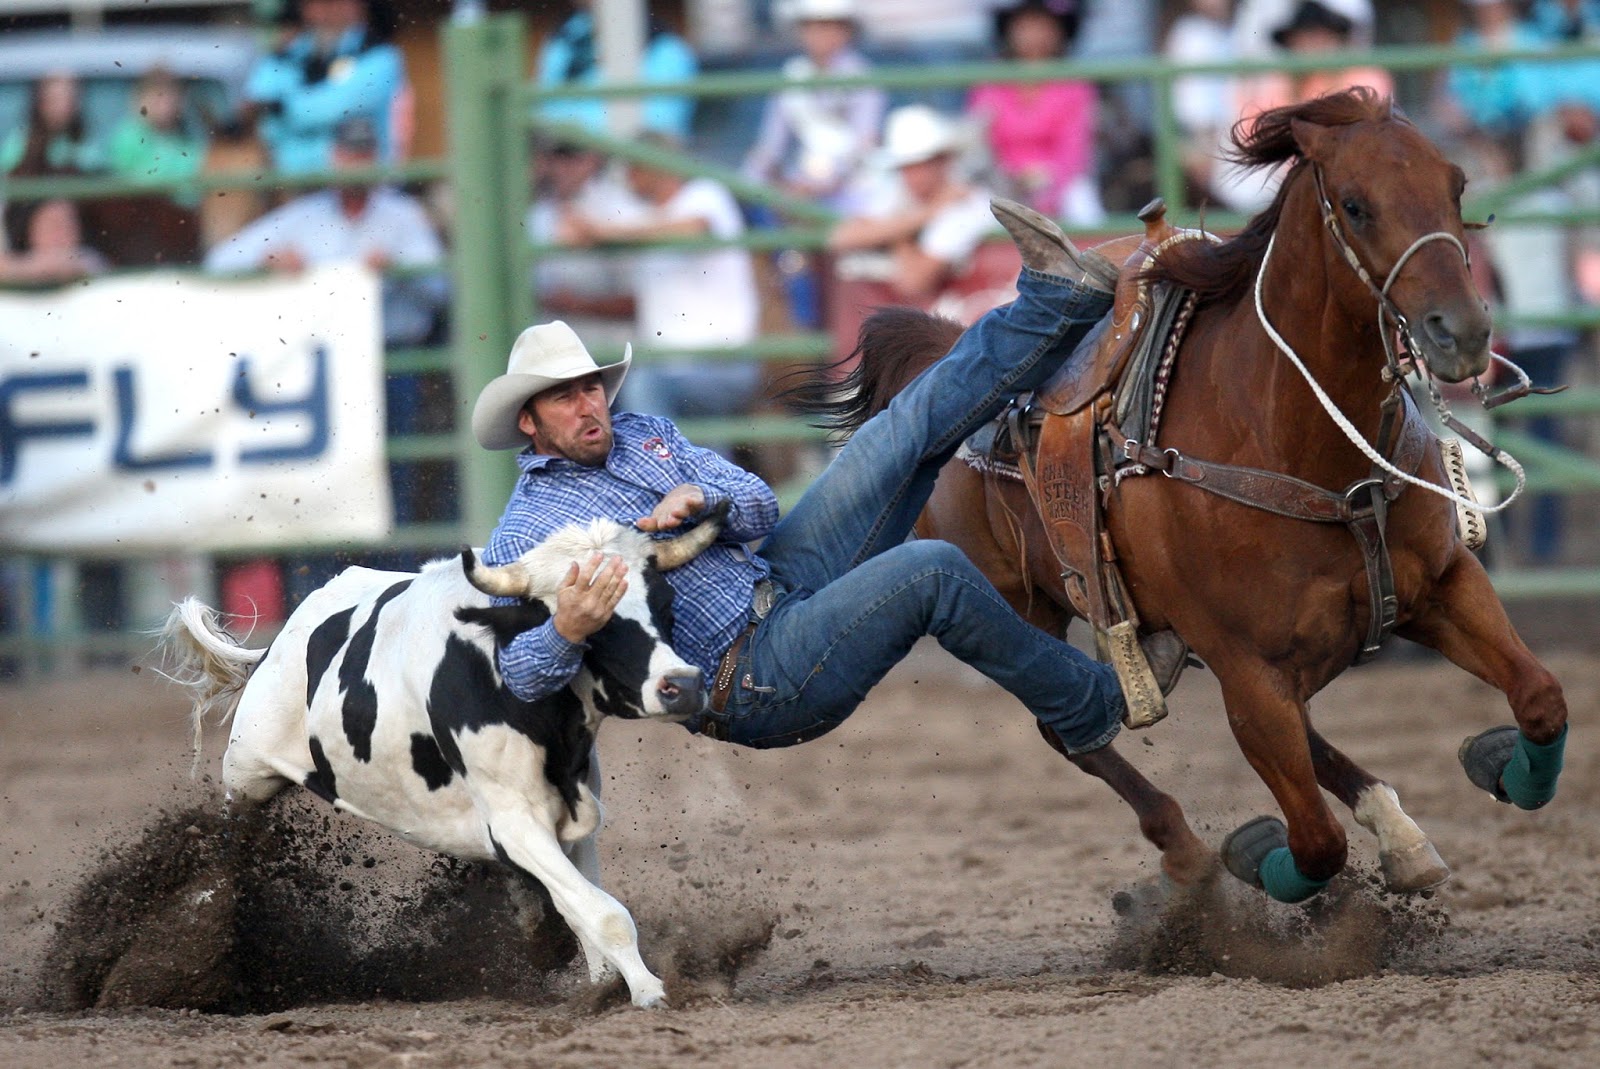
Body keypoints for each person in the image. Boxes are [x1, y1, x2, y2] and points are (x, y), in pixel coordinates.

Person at [471, 199, 1179, 754]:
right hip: (746, 677)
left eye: (591, 386)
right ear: (528, 423)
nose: (589, 403)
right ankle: (1096, 701)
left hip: (777, 579)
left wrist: (702, 503)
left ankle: (1050, 307)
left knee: (896, 432)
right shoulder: (527, 533)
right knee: (928, 569)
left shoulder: (644, 431)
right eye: (565, 397)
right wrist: (566, 627)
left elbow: (755, 509)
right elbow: (521, 677)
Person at [556, 133, 761, 423]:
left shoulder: (704, 195)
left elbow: (695, 228)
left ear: (658, 168)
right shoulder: (646, 215)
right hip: (678, 368)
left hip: (717, 365)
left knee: (644, 389)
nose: (627, 176)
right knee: (696, 443)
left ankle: (654, 470)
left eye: (634, 167)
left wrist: (603, 232)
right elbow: (574, 228)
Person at [203, 117, 446, 349]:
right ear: (334, 158)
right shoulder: (305, 215)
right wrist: (266, 260)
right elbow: (220, 261)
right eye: (348, 156)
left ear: (375, 159)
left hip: (392, 348)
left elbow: (442, 289)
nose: (355, 166)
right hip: (324, 353)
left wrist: (398, 269)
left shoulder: (403, 215)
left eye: (363, 157)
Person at [828, 104, 995, 304]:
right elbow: (840, 238)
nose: (913, 175)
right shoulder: (900, 193)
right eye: (907, 166)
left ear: (943, 161)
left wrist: (896, 234)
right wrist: (923, 217)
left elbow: (913, 282)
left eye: (922, 164)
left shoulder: (969, 206)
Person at [967, 0, 1104, 226]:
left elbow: (1074, 152)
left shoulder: (1075, 83)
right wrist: (1009, 181)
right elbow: (979, 142)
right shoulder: (990, 80)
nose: (1034, 35)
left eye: (1043, 25)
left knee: (1082, 203)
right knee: (972, 210)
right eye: (1025, 25)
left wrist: (1047, 194)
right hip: (1000, 182)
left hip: (1059, 181)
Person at [741, 0, 886, 211]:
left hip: (855, 190)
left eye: (828, 26)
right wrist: (752, 182)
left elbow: (863, 144)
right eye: (811, 26)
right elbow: (770, 146)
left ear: (846, 31)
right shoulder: (792, 75)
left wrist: (817, 185)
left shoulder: (864, 77)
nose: (819, 34)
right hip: (802, 187)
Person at [245, 0, 407, 174]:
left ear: (358, 6)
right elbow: (257, 97)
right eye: (316, 3)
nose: (328, 11)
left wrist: (280, 107)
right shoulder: (288, 53)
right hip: (288, 182)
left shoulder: (382, 55)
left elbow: (331, 108)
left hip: (360, 187)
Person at [527, 140, 642, 354]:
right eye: (555, 157)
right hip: (553, 354)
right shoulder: (538, 214)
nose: (561, 167)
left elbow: (639, 299)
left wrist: (579, 305)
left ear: (594, 160)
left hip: (612, 352)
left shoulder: (621, 209)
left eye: (571, 157)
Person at [535, 0, 699, 141]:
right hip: (560, 157)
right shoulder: (563, 37)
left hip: (628, 161)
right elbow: (544, 108)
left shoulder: (666, 47)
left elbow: (660, 125)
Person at [106, 67, 208, 188]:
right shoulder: (127, 137)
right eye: (158, 99)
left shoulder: (188, 135)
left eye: (171, 98)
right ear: (141, 99)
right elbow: (129, 180)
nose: (166, 106)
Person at [0, 72, 102, 176]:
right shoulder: (21, 141)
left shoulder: (87, 142)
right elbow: (7, 177)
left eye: (67, 100)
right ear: (40, 101)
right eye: (54, 100)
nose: (60, 108)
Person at [0, 198, 109, 285]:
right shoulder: (15, 258)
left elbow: (89, 266)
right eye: (53, 225)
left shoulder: (88, 258)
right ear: (31, 230)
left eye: (70, 224)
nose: (64, 232)